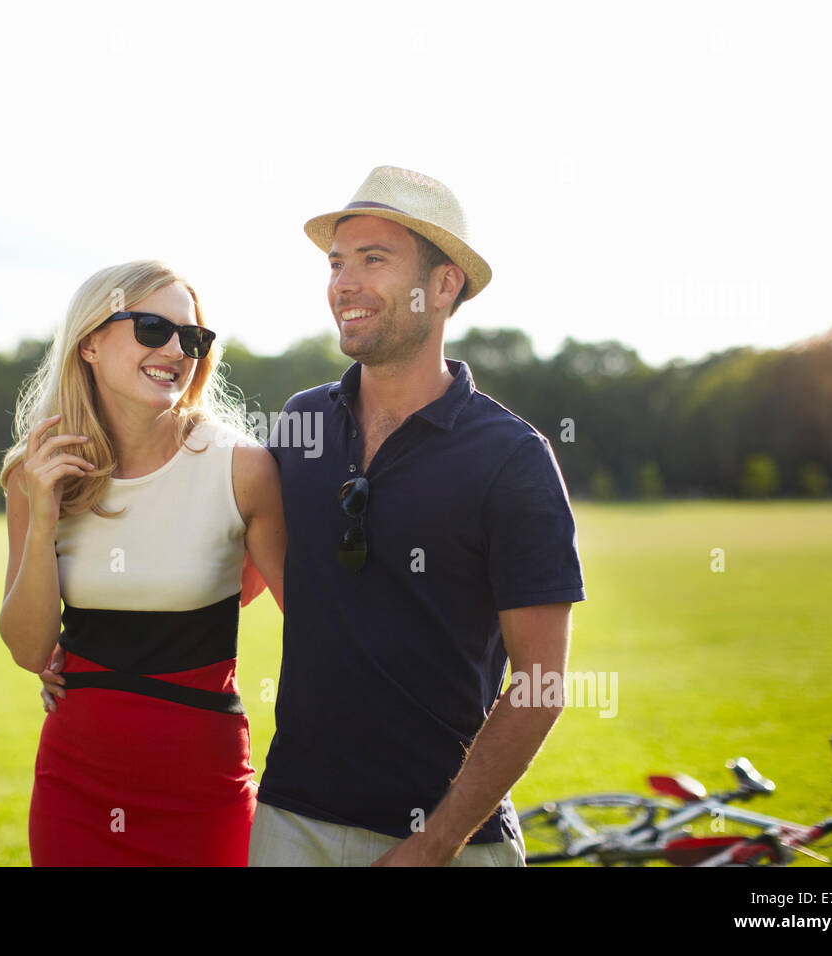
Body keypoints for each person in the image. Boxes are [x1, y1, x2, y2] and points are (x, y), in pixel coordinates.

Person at [247, 165, 587, 866]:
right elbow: (255, 567)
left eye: (374, 260)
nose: (344, 282)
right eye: (338, 263)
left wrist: (435, 843)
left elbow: (542, 683)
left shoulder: (513, 457)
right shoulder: (300, 422)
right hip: (289, 822)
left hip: (451, 842)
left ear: (443, 284)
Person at [0, 260, 286, 866]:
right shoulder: (35, 473)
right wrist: (44, 516)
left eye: (193, 337)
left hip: (204, 789)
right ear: (91, 343)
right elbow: (29, 650)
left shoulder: (241, 467)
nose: (177, 350)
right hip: (75, 787)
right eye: (153, 328)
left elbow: (299, 614)